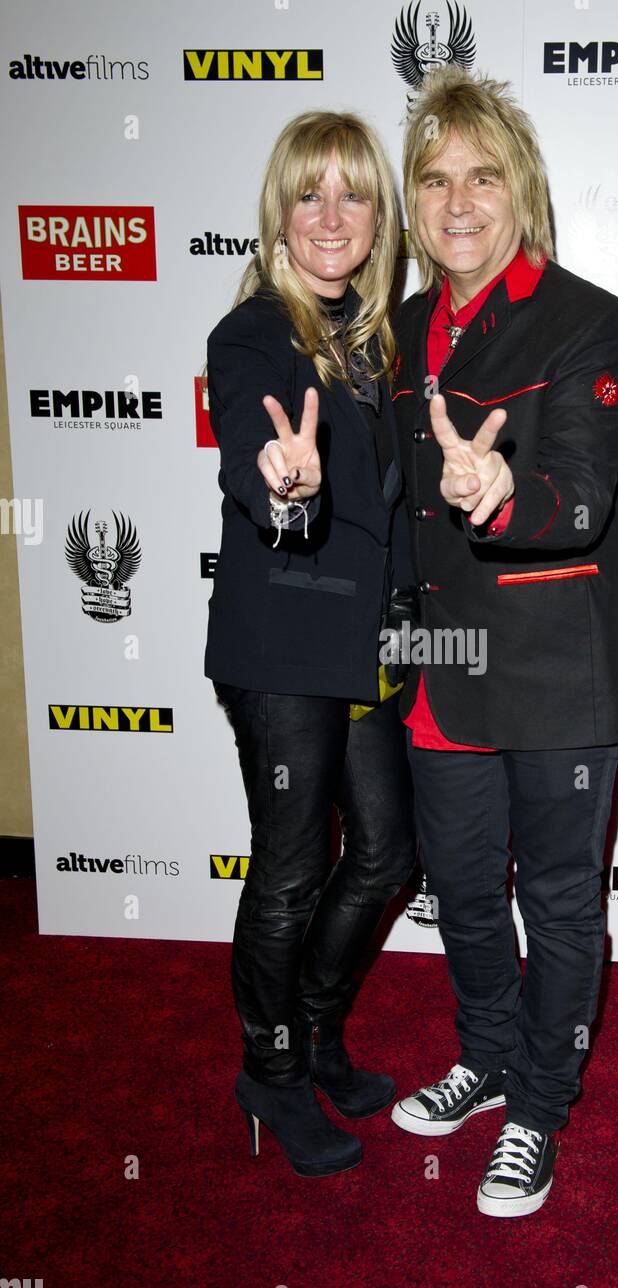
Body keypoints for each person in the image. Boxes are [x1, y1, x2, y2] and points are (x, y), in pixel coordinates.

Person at [389, 68, 618, 1217]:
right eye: (434, 178)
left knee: (556, 897)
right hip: (444, 666)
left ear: (519, 188)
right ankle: (486, 1056)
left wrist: (500, 493)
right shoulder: (396, 328)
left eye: (481, 176)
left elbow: (582, 499)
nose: (457, 203)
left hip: (556, 669)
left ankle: (538, 1105)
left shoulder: (595, 321)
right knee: (457, 884)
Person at [204, 111, 416, 1178]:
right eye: (308, 192)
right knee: (292, 867)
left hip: (366, 644)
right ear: (278, 212)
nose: (331, 215)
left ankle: (320, 1030)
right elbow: (257, 459)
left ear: (379, 215)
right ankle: (269, 1066)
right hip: (282, 641)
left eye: (353, 193)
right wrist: (286, 487)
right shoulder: (253, 334)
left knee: (386, 850)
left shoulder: (380, 340)